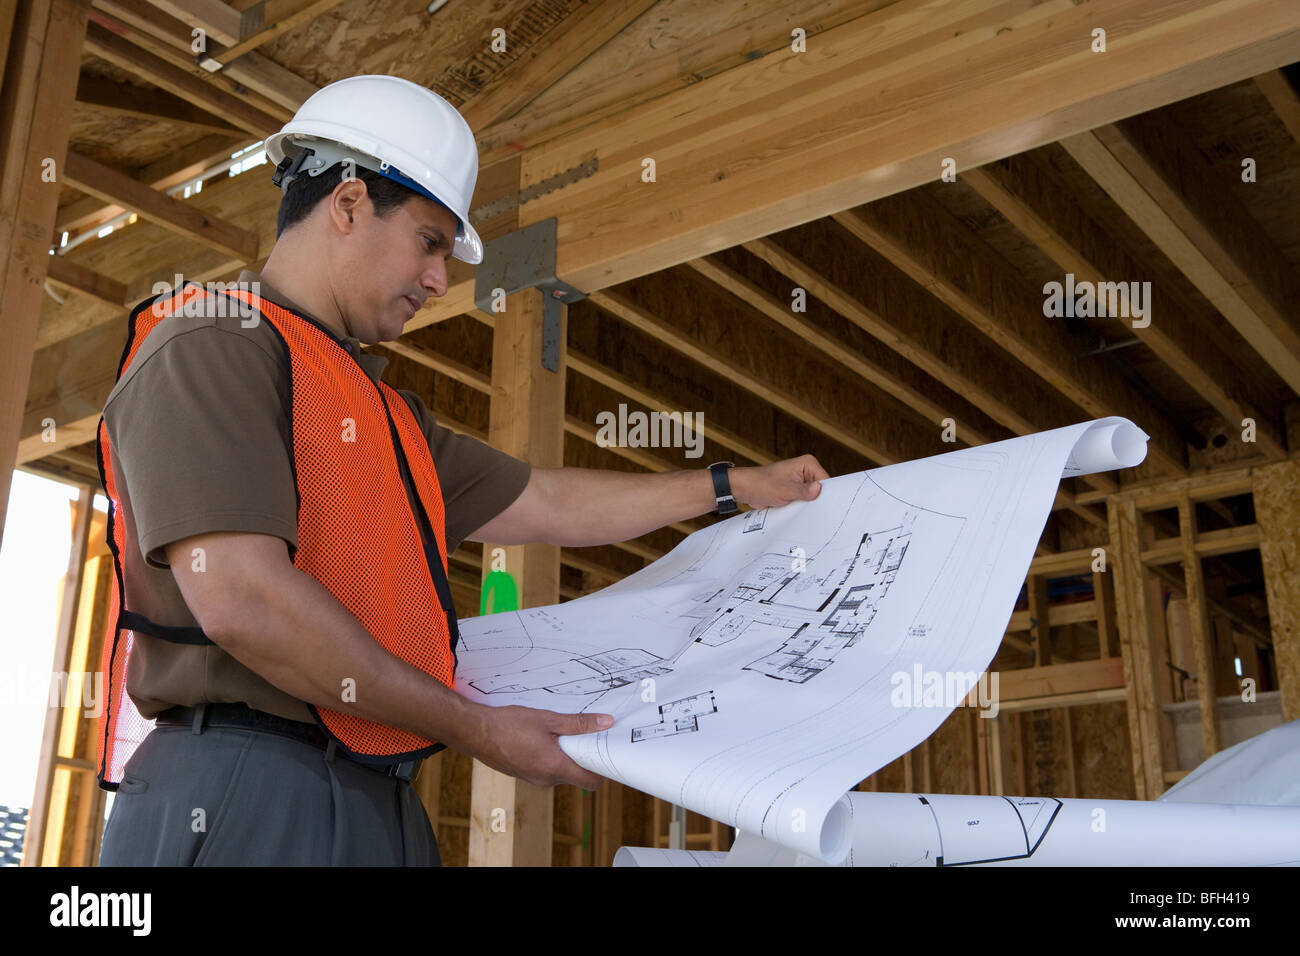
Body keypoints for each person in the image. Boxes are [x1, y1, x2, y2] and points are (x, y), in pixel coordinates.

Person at [95, 75, 827, 866]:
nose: (441, 280)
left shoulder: (380, 415)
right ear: (347, 205)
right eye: (430, 241)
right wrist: (477, 727)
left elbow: (546, 500)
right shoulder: (216, 342)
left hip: (375, 790)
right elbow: (242, 600)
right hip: (246, 790)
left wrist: (727, 487)